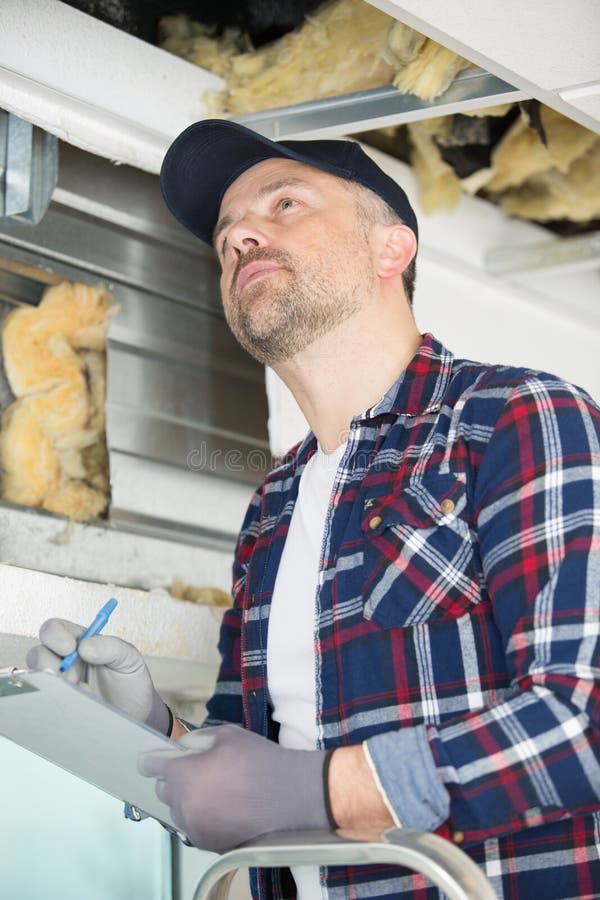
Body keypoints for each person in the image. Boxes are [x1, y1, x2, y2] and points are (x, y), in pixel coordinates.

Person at [29, 120, 600, 900]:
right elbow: (253, 776)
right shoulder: (272, 507)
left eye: (285, 204)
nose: (239, 238)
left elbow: (583, 723)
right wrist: (152, 735)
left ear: (390, 249)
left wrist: (320, 791)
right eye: (226, 236)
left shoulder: (517, 417)